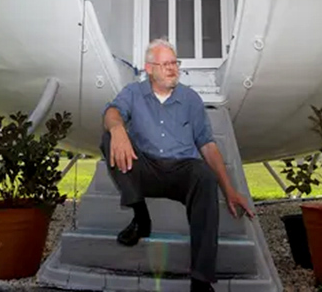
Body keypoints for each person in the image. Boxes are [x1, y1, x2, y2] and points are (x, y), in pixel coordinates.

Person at [101, 39, 254, 292]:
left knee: (204, 175)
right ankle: (141, 217)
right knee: (109, 137)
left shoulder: (191, 99)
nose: (173, 69)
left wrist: (228, 189)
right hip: (145, 167)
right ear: (149, 68)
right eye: (165, 64)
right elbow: (112, 112)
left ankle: (201, 281)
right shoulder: (133, 93)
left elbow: (207, 145)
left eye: (175, 63)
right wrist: (117, 128)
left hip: (182, 170)